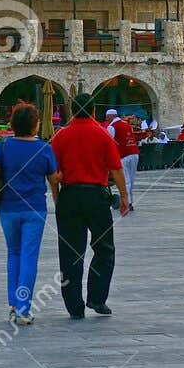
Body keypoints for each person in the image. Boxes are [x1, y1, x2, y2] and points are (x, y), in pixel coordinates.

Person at [0, 104, 60, 325]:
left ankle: (14, 304)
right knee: (29, 257)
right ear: (35, 124)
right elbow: (54, 180)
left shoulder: (4, 146)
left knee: (13, 254)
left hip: (9, 209)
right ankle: (24, 308)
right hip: (34, 208)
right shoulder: (44, 148)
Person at [51, 91, 130, 318]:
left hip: (70, 196)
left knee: (70, 253)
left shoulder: (60, 136)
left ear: (72, 110)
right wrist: (124, 196)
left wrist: (57, 196)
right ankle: (97, 297)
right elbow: (116, 168)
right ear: (94, 111)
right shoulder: (103, 135)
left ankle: (74, 306)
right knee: (104, 249)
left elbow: (53, 174)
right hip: (96, 196)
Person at [105, 108, 141, 210]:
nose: (106, 119)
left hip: (123, 155)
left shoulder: (112, 127)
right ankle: (130, 201)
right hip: (134, 153)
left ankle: (128, 203)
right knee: (131, 179)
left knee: (125, 180)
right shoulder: (127, 125)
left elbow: (109, 144)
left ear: (111, 116)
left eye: (107, 117)